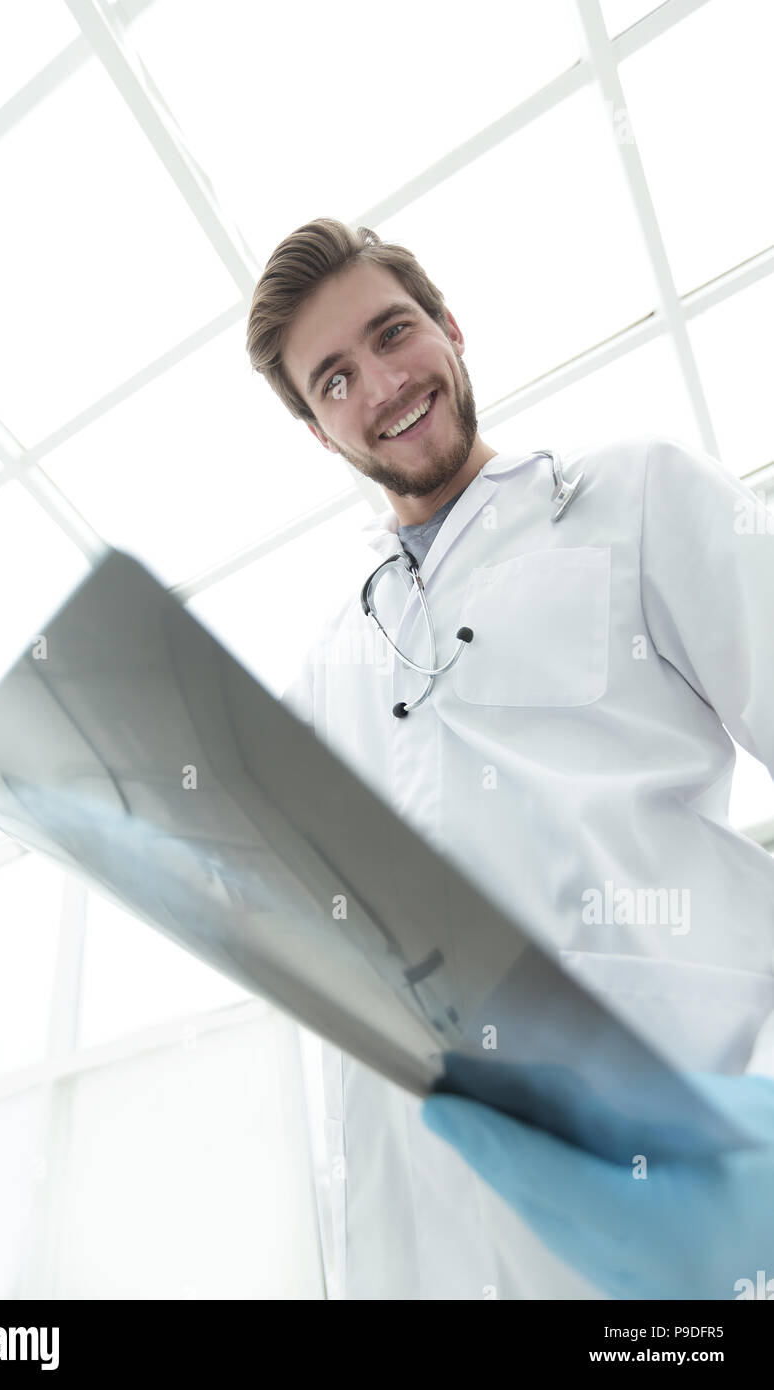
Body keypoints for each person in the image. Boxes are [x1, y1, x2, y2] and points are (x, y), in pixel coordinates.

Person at [245, 217, 774, 1300]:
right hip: (427, 1240)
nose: (381, 385)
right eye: (334, 379)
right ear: (315, 429)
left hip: (674, 1181)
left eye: (393, 334)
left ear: (448, 326)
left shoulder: (630, 497)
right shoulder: (327, 667)